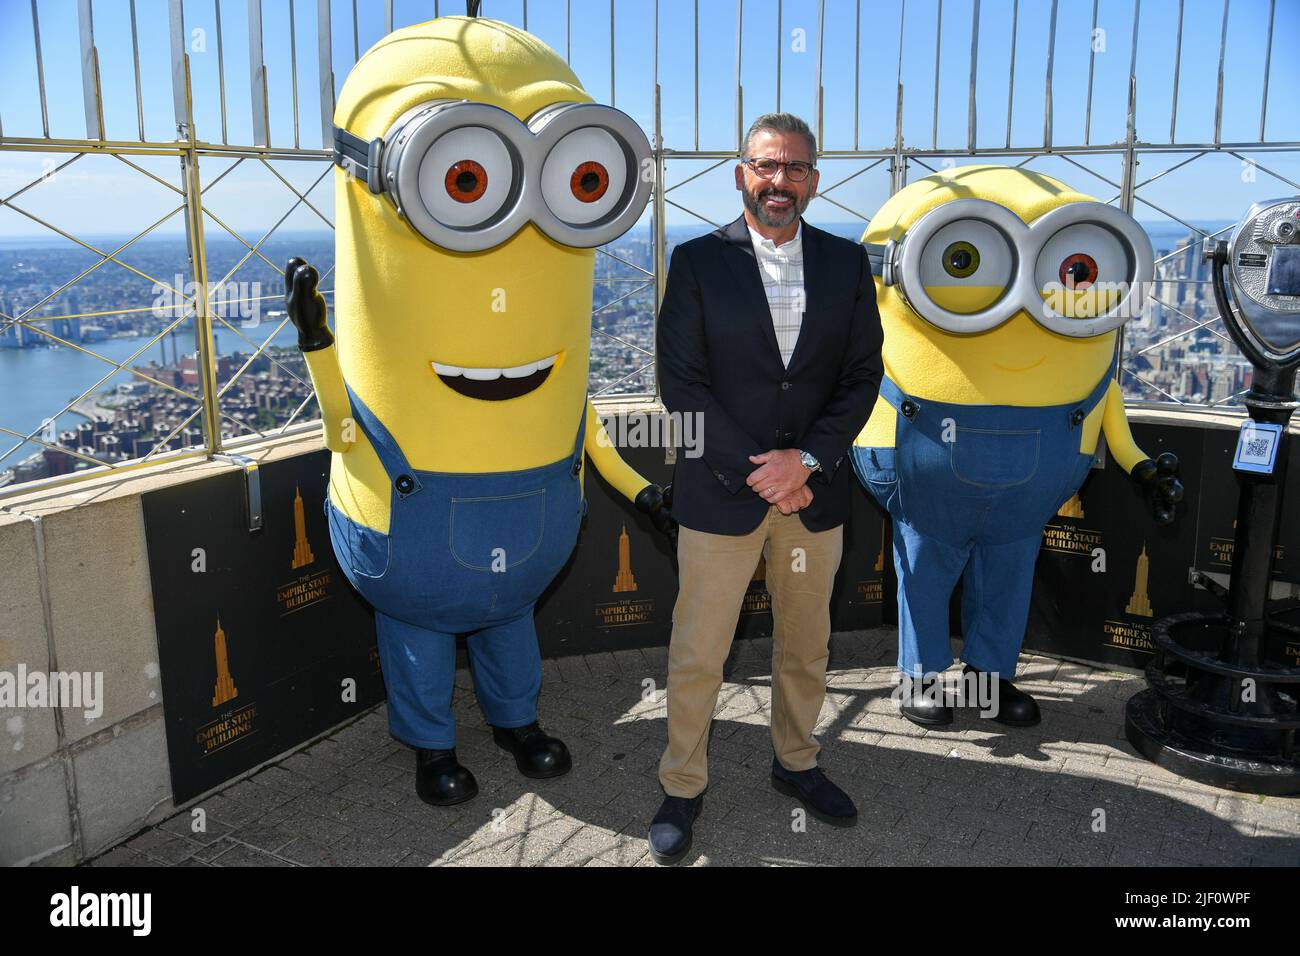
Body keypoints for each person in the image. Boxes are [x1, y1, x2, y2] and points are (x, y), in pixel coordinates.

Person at [647, 113, 884, 865]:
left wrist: (805, 462)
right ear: (741, 173)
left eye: (794, 169)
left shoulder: (848, 265)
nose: (779, 181)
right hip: (722, 496)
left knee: (806, 646)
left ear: (814, 181)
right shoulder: (695, 262)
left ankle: (797, 763)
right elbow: (679, 386)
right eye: (765, 166)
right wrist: (764, 470)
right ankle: (682, 787)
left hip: (812, 499)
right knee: (698, 654)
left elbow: (861, 376)